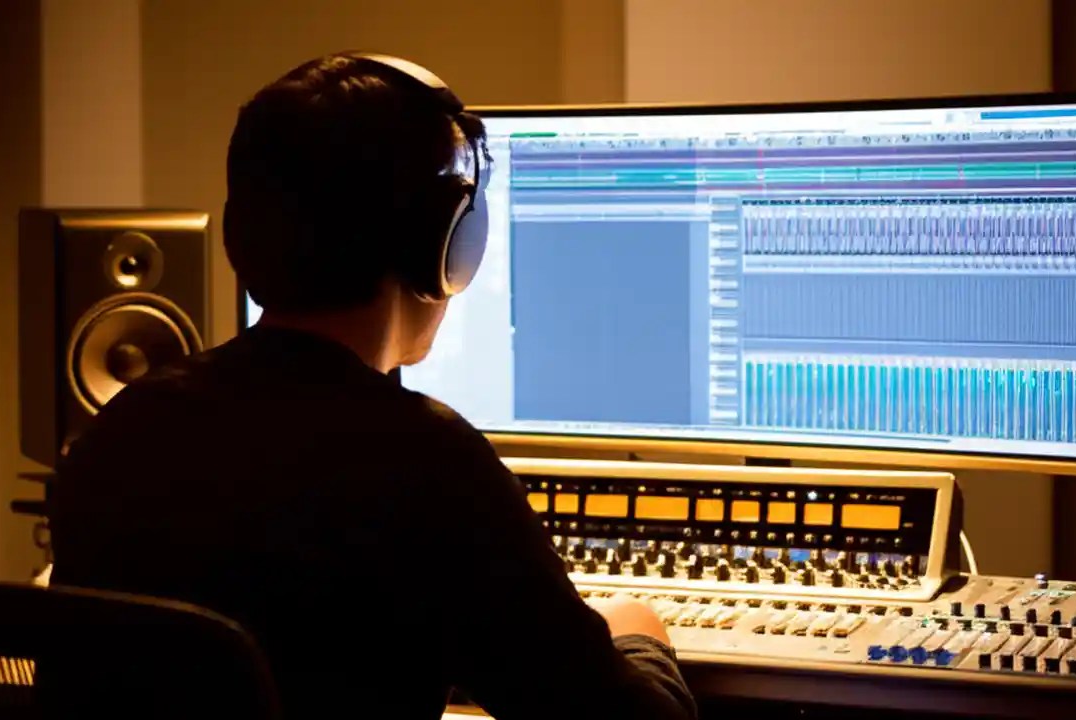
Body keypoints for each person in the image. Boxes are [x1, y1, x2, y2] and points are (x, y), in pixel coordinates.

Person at [46, 51, 697, 719]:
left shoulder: (122, 431)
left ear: (241, 236)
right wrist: (638, 634)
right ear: (445, 245)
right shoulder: (427, 464)